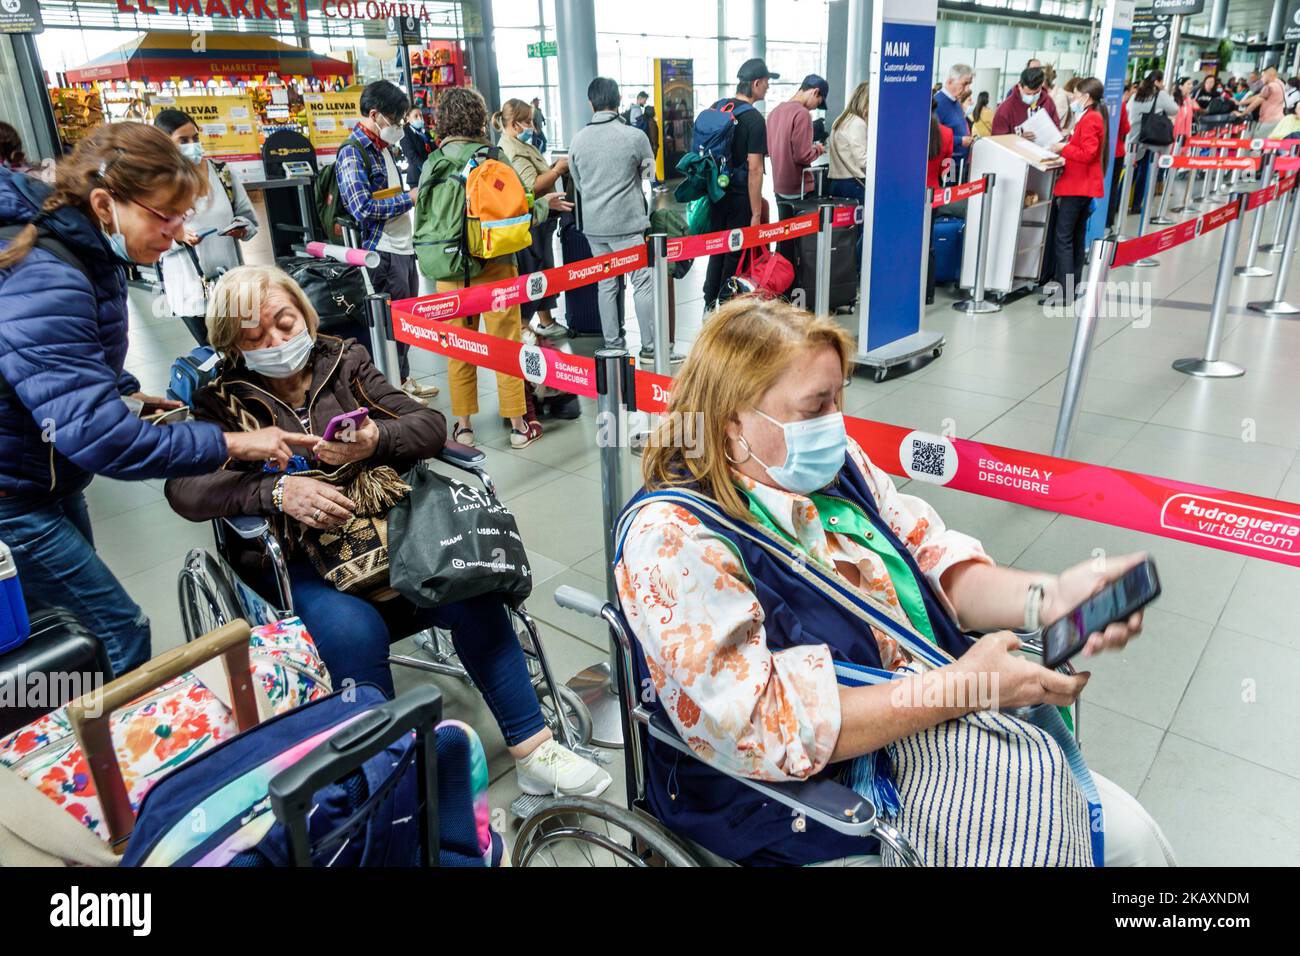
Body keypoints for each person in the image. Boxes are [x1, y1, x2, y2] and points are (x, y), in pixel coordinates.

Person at [616, 297, 1178, 867]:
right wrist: (961, 688)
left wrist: (1049, 597)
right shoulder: (672, 540)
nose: (834, 423)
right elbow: (766, 727)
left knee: (1132, 839)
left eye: (838, 398)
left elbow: (933, 560)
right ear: (734, 422)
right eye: (814, 407)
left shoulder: (836, 465)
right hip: (791, 793)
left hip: (922, 727)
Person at [165, 265, 611, 799]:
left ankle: (533, 750)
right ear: (232, 344)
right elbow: (186, 490)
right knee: (356, 632)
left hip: (393, 533)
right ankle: (389, 782)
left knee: (473, 594)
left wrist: (376, 440)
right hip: (304, 561)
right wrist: (278, 493)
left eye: (285, 324)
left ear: (303, 315)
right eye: (254, 337)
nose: (277, 342)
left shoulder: (344, 360)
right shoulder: (220, 400)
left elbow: (427, 426)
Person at [0, 123, 319, 678]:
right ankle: (98, 752)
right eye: (162, 216)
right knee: (112, 633)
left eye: (183, 217)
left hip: (43, 474)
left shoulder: (81, 250)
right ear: (105, 204)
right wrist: (233, 443)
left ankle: (62, 729)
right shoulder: (46, 269)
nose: (175, 233)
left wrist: (122, 391)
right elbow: (99, 438)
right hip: (13, 494)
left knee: (58, 630)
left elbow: (61, 357)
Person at [421, 86, 571, 449]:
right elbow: (517, 211)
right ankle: (519, 425)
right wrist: (543, 205)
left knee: (457, 346)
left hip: (448, 270)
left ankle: (464, 426)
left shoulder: (433, 161)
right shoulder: (494, 156)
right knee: (506, 346)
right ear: (477, 117)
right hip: (495, 267)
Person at [336, 79, 438, 405]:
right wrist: (410, 199)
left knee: (406, 324)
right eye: (396, 120)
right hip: (382, 252)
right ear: (376, 114)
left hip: (404, 248)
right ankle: (390, 389)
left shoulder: (383, 147)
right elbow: (362, 208)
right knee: (390, 327)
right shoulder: (353, 153)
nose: (399, 127)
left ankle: (403, 379)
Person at [568, 76, 673, 366]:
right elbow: (650, 176)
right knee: (642, 282)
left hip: (594, 227)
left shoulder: (577, 140)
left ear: (591, 103)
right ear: (618, 101)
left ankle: (614, 344)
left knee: (606, 284)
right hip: (627, 225)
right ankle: (650, 346)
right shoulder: (634, 137)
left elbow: (578, 182)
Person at [492, 98, 582, 422]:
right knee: (524, 308)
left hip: (538, 225)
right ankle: (524, 399)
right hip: (527, 230)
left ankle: (532, 390)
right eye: (527, 122)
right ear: (514, 123)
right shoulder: (509, 151)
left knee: (532, 300)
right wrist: (557, 170)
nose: (532, 127)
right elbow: (528, 189)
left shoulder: (515, 145)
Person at [153, 108, 260, 345]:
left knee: (245, 350)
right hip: (190, 290)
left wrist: (241, 227)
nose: (192, 146)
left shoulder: (221, 173)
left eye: (195, 138)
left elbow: (249, 219)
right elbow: (148, 239)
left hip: (232, 284)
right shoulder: (156, 184)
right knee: (215, 353)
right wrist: (178, 238)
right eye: (183, 141)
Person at [702, 57, 774, 313]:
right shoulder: (754, 120)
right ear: (755, 83)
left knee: (716, 250)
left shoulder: (717, 107)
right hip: (740, 198)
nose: (768, 88)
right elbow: (755, 169)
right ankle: (725, 308)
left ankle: (709, 305)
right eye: (766, 83)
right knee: (735, 253)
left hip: (715, 194)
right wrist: (756, 213)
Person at [1045, 77, 1109, 303]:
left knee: (1063, 238)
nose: (1072, 98)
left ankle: (1064, 290)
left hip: (1076, 186)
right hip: (1083, 186)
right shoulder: (1093, 117)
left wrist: (1064, 148)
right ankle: (1071, 287)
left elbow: (1087, 153)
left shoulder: (1091, 119)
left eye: (1075, 94)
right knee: (1076, 236)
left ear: (1086, 96)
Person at [767, 74, 829, 201]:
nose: (815, 108)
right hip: (799, 189)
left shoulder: (774, 112)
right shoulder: (802, 114)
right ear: (815, 92)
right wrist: (818, 149)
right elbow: (802, 155)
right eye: (818, 103)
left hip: (779, 188)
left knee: (785, 221)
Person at [1126, 70, 1178, 214]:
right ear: (1157, 82)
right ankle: (1136, 204)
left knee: (1131, 172)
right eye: (1162, 82)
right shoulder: (1160, 95)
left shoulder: (1137, 94)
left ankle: (1120, 202)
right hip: (1150, 139)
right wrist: (1165, 92)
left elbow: (1128, 110)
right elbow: (1174, 109)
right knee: (1145, 173)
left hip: (1134, 138)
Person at [828, 81, 869, 206]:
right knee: (860, 225)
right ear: (866, 103)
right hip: (853, 186)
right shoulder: (857, 123)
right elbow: (863, 160)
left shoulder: (841, 119)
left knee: (842, 225)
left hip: (837, 183)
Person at [991, 66, 1060, 138]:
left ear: (1041, 86)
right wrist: (1018, 138)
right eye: (1028, 94)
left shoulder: (1048, 102)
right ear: (1020, 86)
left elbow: (1056, 127)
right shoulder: (1005, 109)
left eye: (1036, 93)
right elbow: (998, 140)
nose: (1032, 97)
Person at [932, 65, 973, 181]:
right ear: (950, 81)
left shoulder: (955, 102)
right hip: (948, 164)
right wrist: (960, 140)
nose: (967, 89)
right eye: (964, 84)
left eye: (969, 84)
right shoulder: (938, 103)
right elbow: (935, 137)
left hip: (960, 163)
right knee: (950, 197)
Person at [1240, 66, 1287, 137]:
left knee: (1257, 141)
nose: (1262, 78)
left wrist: (1243, 113)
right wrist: (1241, 103)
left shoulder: (1270, 86)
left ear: (1268, 75)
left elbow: (1258, 101)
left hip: (1270, 119)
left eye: (1263, 75)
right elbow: (1259, 96)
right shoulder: (1280, 84)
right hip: (1278, 118)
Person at [400, 105, 435, 190]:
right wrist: (427, 169)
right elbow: (412, 156)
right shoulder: (404, 135)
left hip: (431, 174)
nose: (419, 118)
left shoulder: (424, 132)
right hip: (417, 177)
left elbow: (433, 149)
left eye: (421, 115)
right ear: (408, 118)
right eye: (416, 116)